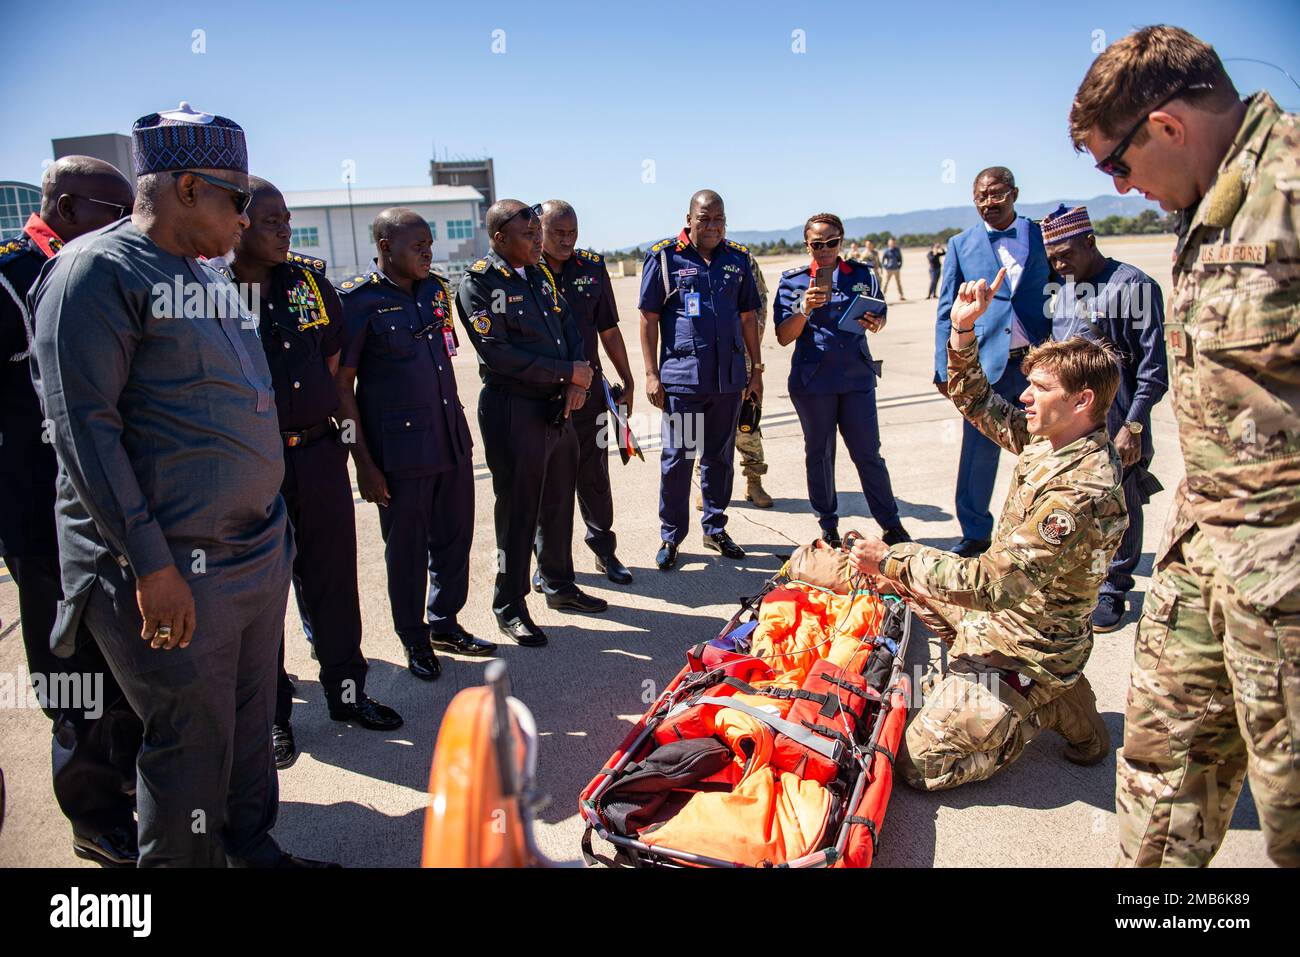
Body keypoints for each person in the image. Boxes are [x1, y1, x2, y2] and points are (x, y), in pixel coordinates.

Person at [29, 103, 328, 866]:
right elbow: (83, 430)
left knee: (250, 720)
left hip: (253, 552)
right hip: (170, 566)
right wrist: (150, 565)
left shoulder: (201, 273)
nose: (249, 217)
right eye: (238, 202)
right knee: (190, 744)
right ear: (188, 187)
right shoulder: (95, 271)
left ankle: (250, 847)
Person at [1071, 24, 1300, 867]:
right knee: (1162, 789)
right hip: (1203, 563)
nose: (1122, 188)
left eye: (1116, 165)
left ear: (1166, 126)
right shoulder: (1203, 210)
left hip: (1287, 597)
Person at [850, 271, 1128, 791]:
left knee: (915, 763)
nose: (1024, 396)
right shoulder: (1053, 437)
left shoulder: (1082, 494)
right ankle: (1003, 686)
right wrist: (962, 332)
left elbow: (990, 584)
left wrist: (892, 556)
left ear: (1082, 400)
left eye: (1040, 388)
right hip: (1000, 617)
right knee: (900, 584)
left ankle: (1040, 707)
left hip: (1030, 646)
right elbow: (977, 400)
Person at [227, 178, 402, 768]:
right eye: (272, 220)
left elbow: (333, 375)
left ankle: (347, 694)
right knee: (262, 598)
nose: (285, 229)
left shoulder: (309, 283)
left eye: (287, 219)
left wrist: (356, 456)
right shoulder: (208, 290)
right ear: (238, 220)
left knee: (332, 581)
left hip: (319, 453)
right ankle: (273, 718)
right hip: (253, 469)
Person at [1, 156, 142, 866]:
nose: (126, 226)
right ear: (61, 206)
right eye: (113, 211)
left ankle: (126, 783)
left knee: (122, 665)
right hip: (38, 514)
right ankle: (93, 815)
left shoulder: (109, 271)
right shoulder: (9, 276)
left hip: (105, 508)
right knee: (72, 671)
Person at [336, 208, 495, 678]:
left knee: (454, 538)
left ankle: (445, 621)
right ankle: (414, 635)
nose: (428, 251)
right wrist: (362, 462)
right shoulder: (358, 301)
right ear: (386, 247)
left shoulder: (434, 291)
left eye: (429, 244)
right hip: (400, 454)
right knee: (405, 550)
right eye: (416, 245)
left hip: (450, 439)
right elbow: (342, 385)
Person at [457, 200, 607, 648]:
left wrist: (578, 377)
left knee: (559, 501)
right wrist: (568, 373)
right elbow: (498, 354)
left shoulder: (540, 275)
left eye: (539, 234)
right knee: (518, 511)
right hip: (513, 410)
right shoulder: (479, 283)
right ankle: (510, 604)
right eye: (529, 235)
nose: (539, 242)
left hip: (558, 406)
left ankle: (559, 584)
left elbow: (571, 327)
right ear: (500, 238)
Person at [1043, 203, 1168, 632]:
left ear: (1090, 241)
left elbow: (1154, 371)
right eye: (1052, 258)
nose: (1059, 264)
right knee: (1077, 503)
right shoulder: (1061, 291)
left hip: (1120, 419)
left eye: (1065, 253)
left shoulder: (1133, 286)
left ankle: (1115, 588)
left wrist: (1133, 426)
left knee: (1122, 503)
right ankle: (1082, 582)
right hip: (1072, 424)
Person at [639, 190, 763, 570]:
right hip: (683, 381)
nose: (712, 227)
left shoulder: (737, 259)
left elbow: (747, 317)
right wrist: (650, 374)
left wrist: (755, 371)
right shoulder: (664, 257)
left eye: (719, 219)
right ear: (689, 218)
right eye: (705, 219)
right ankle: (671, 536)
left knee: (719, 459)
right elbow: (649, 317)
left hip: (727, 381)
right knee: (678, 459)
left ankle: (715, 527)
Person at [934, 166, 1054, 557]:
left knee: (1049, 448)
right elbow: (946, 308)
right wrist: (943, 366)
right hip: (986, 367)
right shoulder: (959, 244)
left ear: (1014, 193)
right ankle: (975, 532)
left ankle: (1047, 528)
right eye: (981, 196)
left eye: (997, 194)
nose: (989, 203)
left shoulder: (1042, 235)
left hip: (1039, 363)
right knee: (977, 454)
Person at [774, 212, 912, 548]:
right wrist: (804, 310)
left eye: (831, 243)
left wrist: (876, 322)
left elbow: (879, 315)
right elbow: (782, 336)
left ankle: (891, 524)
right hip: (813, 381)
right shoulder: (792, 282)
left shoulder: (862, 274)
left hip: (856, 378)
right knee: (820, 454)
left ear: (842, 241)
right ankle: (828, 524)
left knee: (868, 454)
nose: (824, 250)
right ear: (807, 245)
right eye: (817, 244)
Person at [535, 200, 635, 586]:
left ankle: (604, 553)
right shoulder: (525, 272)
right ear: (540, 231)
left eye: (572, 232)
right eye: (557, 233)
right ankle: (546, 564)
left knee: (594, 476)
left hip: (590, 394)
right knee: (545, 484)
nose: (566, 240)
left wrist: (626, 378)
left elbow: (608, 328)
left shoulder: (591, 268)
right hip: (543, 398)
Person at [694, 248, 773, 509]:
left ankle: (754, 482)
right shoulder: (687, 258)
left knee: (747, 424)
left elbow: (758, 307)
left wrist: (750, 354)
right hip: (704, 360)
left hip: (740, 358)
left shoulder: (741, 259)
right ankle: (704, 484)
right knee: (702, 427)